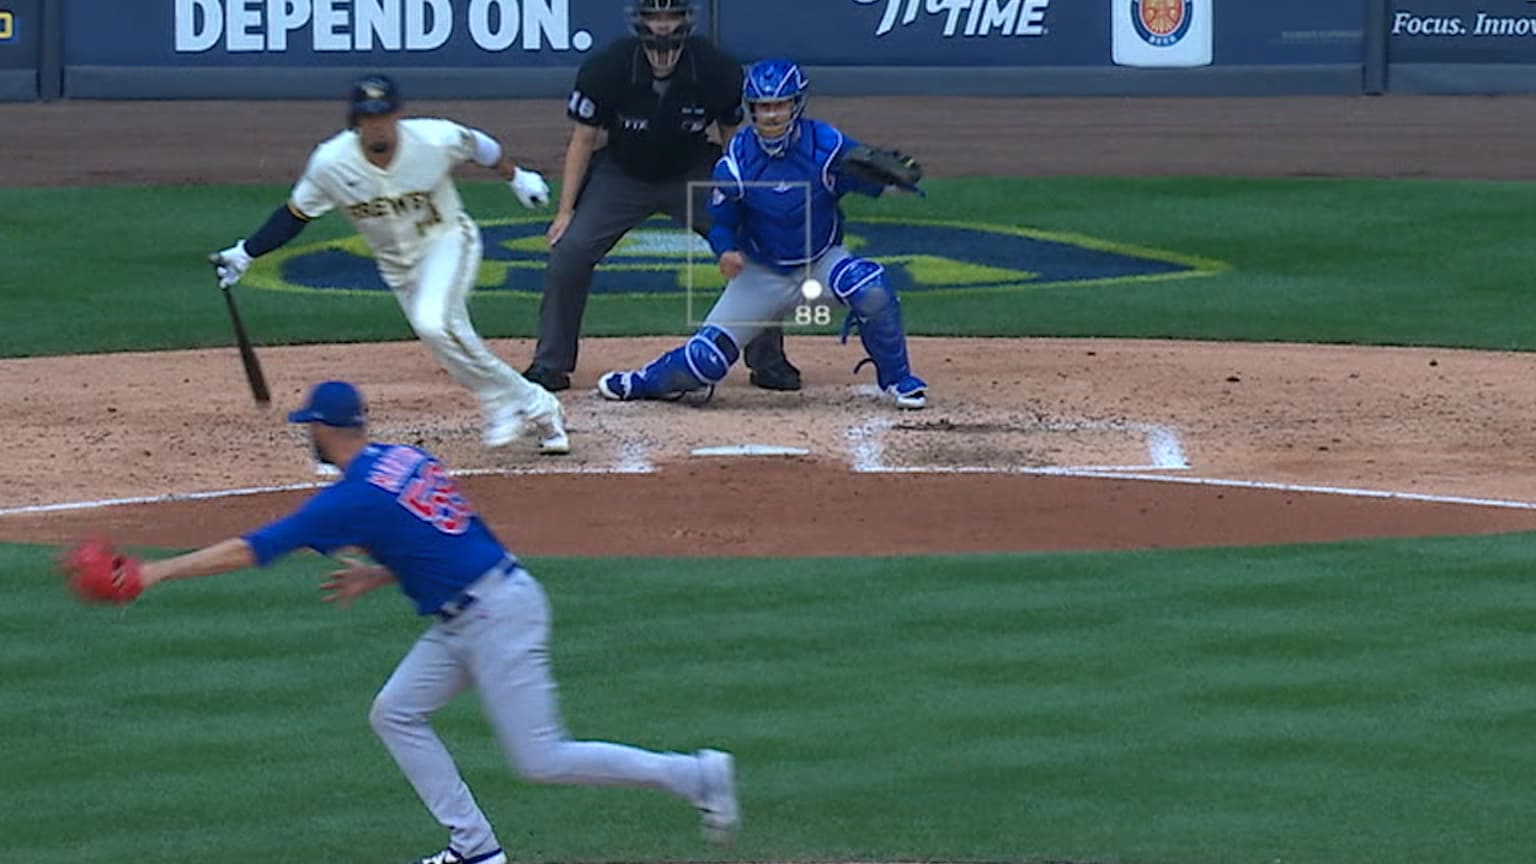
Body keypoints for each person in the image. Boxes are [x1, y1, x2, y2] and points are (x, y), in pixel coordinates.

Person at [129, 380, 741, 864]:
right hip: (478, 605)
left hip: (495, 616)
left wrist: (153, 574)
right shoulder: (405, 459)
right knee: (394, 712)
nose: (305, 435)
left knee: (542, 759)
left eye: (308, 426)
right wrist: (381, 572)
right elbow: (447, 535)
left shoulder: (351, 496)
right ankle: (475, 847)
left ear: (324, 428)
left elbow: (252, 548)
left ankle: (694, 775)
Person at [210, 74, 570, 455]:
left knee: (435, 323)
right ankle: (539, 407)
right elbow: (295, 213)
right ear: (356, 120)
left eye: (382, 115)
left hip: (447, 242)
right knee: (449, 341)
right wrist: (246, 252)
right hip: (397, 267)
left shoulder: (433, 138)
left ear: (397, 114)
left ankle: (506, 402)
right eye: (368, 118)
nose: (377, 125)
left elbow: (480, 146)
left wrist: (517, 178)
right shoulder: (331, 163)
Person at [596, 59, 929, 409]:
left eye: (779, 105)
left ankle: (898, 380)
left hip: (821, 261)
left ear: (796, 105)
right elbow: (721, 221)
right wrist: (725, 251)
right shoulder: (738, 160)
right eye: (762, 107)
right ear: (751, 109)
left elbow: (867, 170)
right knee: (705, 361)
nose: (771, 116)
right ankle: (641, 381)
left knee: (870, 288)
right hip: (761, 272)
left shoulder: (826, 144)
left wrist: (891, 181)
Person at [523, 0, 801, 394]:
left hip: (692, 168)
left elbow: (732, 137)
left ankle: (769, 360)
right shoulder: (606, 68)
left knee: (754, 243)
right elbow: (584, 138)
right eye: (655, 16)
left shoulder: (717, 69)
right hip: (622, 173)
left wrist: (746, 199)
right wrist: (565, 210)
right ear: (640, 22)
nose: (664, 27)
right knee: (569, 252)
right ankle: (550, 364)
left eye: (671, 16)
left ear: (686, 21)